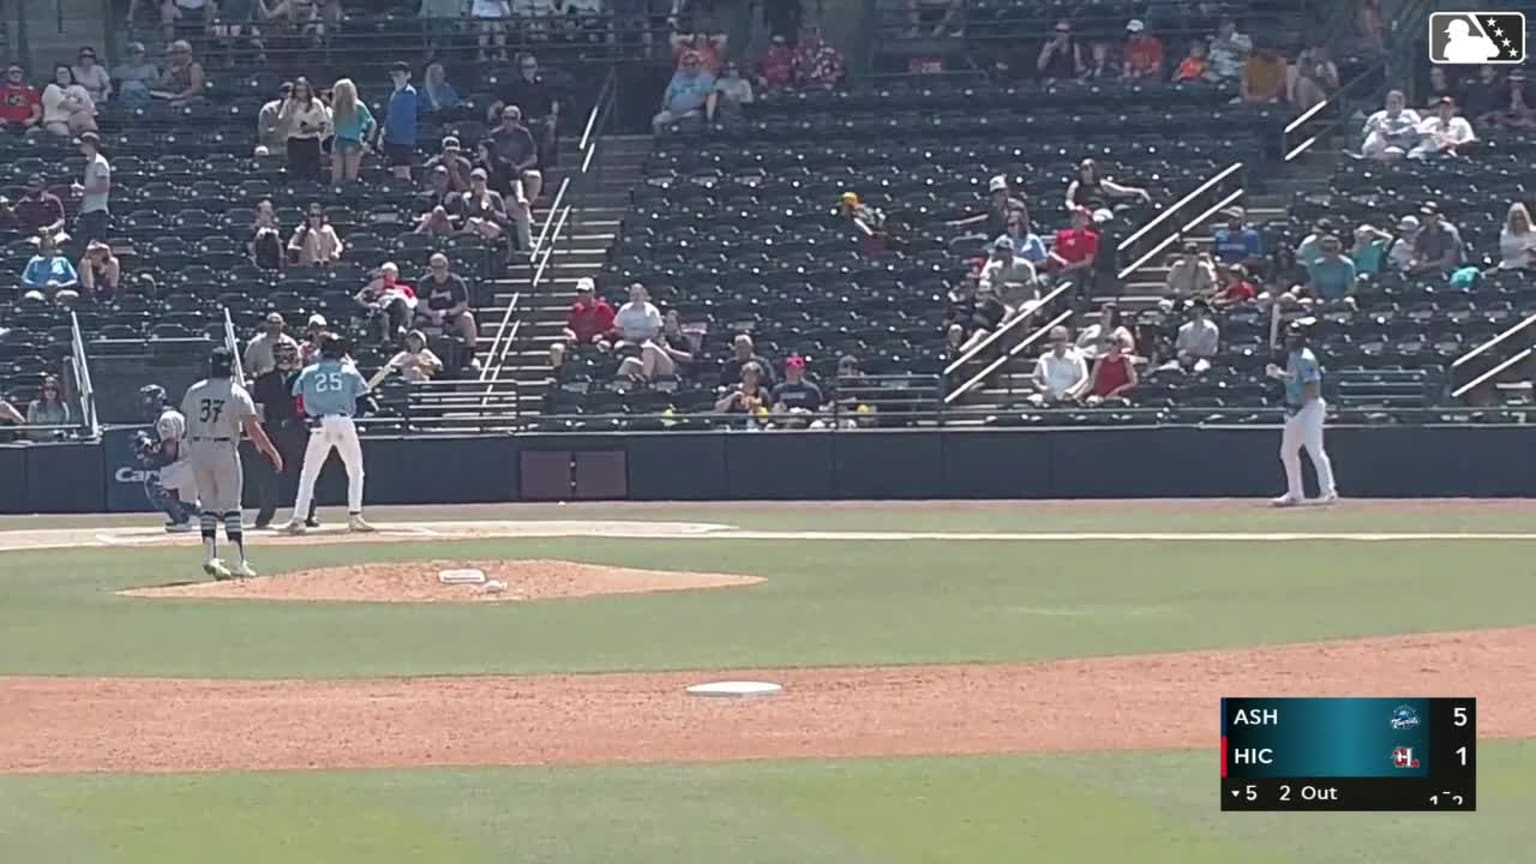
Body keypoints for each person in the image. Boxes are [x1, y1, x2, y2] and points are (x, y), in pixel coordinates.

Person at [180, 347, 284, 579]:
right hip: (224, 447)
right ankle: (238, 561)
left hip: (198, 448)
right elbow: (253, 428)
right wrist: (272, 452)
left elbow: (188, 423)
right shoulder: (237, 392)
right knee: (231, 507)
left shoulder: (194, 391)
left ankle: (210, 557)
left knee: (207, 504)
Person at [280, 334, 372, 534]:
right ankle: (355, 515)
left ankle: (298, 519)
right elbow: (365, 401)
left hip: (319, 422)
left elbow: (295, 393)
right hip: (343, 421)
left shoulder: (308, 371)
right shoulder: (350, 371)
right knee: (355, 471)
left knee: (309, 473)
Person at [1267, 317, 1338, 506]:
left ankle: (1328, 491)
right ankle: (1295, 493)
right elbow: (1294, 379)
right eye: (1289, 336)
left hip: (1310, 407)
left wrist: (1282, 379)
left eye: (1294, 337)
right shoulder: (1292, 356)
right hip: (1296, 409)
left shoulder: (1306, 358)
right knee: (1287, 452)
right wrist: (1279, 374)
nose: (1289, 339)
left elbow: (1312, 388)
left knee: (1314, 448)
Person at [250, 338, 312, 529]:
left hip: (296, 428)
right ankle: (266, 513)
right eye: (281, 355)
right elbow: (259, 409)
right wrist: (259, 435)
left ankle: (308, 513)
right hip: (272, 430)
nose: (285, 359)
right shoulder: (264, 380)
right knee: (268, 474)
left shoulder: (303, 377)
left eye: (288, 354)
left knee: (301, 472)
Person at [134, 384, 199, 531]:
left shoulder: (166, 420)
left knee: (154, 483)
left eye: (148, 401)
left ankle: (181, 519)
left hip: (188, 463)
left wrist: (148, 450)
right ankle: (218, 517)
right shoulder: (173, 415)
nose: (146, 405)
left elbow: (169, 454)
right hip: (192, 461)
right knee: (189, 504)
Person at [278, 77, 330, 183]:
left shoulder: (316, 104)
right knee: (297, 171)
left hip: (311, 140)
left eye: (302, 91)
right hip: (294, 140)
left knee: (313, 171)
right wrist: (290, 110)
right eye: (297, 91)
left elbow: (323, 125)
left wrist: (310, 128)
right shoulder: (289, 103)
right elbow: (283, 122)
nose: (300, 94)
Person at [328, 78, 376, 186]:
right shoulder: (336, 106)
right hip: (338, 140)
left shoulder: (358, 106)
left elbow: (372, 123)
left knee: (350, 178)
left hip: (353, 141)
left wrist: (368, 141)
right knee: (336, 178)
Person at [653, 51, 715, 133]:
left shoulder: (706, 78)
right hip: (674, 112)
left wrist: (709, 117)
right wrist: (665, 106)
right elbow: (668, 94)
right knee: (657, 121)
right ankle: (662, 144)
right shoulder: (677, 78)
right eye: (686, 64)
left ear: (699, 64)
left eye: (693, 64)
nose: (689, 67)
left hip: (694, 112)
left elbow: (711, 96)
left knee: (688, 120)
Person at [1064, 158, 1151, 213]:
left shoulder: (1102, 184)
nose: (1084, 172)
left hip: (1100, 211)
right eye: (1083, 169)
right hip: (1083, 212)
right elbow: (1069, 200)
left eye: (1087, 169)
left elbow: (1121, 191)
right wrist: (1073, 208)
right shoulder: (1076, 185)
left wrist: (1138, 191)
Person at [1031, 326, 1089, 404]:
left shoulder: (1077, 359)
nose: (1057, 343)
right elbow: (1035, 378)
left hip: (1070, 400)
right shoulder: (1044, 358)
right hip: (1048, 399)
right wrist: (1042, 388)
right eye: (1054, 340)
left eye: (1061, 339)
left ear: (1067, 339)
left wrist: (1073, 391)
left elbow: (1084, 378)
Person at [381, 62, 418, 181]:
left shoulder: (409, 93)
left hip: (403, 140)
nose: (396, 78)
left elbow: (404, 118)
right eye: (393, 75)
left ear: (408, 75)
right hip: (391, 138)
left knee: (403, 172)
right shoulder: (394, 93)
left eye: (399, 74)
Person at [1360, 90, 1422, 161]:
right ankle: (1368, 158)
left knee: (1390, 153)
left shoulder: (1410, 114)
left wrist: (1395, 135)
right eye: (1388, 103)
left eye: (1394, 103)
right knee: (1375, 135)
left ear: (1402, 104)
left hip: (1398, 146)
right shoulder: (1377, 116)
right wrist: (1378, 129)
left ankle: (1367, 160)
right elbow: (1365, 132)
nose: (1390, 106)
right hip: (1377, 145)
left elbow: (1416, 128)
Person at [367, 330, 443, 386]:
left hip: (424, 383)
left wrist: (421, 364)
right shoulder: (404, 354)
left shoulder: (426, 353)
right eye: (411, 339)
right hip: (407, 383)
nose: (414, 342)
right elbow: (391, 365)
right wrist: (406, 364)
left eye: (416, 339)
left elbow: (439, 365)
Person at [1410, 97, 1477, 159]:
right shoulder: (1430, 120)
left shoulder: (1461, 121)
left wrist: (1457, 143)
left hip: (1450, 151)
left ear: (1453, 110)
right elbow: (1418, 133)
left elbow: (1469, 138)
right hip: (1428, 151)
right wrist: (1433, 134)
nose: (1443, 111)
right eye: (1441, 108)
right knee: (1414, 154)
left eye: (1447, 108)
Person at [75, 131, 111, 244]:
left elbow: (103, 187)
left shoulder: (99, 163)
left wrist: (82, 189)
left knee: (99, 245)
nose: (81, 147)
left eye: (83, 144)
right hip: (88, 210)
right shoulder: (90, 163)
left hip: (97, 211)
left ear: (90, 145)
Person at [41, 65, 97, 137]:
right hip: (57, 121)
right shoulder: (51, 88)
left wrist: (84, 112)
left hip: (78, 120)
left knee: (89, 131)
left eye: (65, 73)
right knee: (66, 138)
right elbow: (66, 105)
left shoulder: (80, 88)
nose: (63, 76)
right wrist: (83, 108)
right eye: (60, 74)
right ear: (55, 76)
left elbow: (91, 107)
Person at [21, 234, 80, 302]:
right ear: (41, 249)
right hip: (39, 291)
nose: (48, 251)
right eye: (45, 249)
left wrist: (61, 285)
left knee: (72, 295)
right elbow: (24, 281)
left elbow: (75, 280)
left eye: (51, 248)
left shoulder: (63, 261)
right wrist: (40, 285)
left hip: (60, 291)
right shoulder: (34, 262)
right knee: (31, 296)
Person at [244, 311, 301, 377]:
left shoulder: (290, 342)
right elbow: (248, 368)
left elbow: (297, 364)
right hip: (262, 382)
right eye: (271, 323)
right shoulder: (255, 344)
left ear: (283, 324)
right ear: (266, 324)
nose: (274, 326)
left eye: (278, 323)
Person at [1085, 338, 1137, 405]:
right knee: (1091, 402)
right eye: (1108, 344)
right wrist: (1078, 395)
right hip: (1100, 396)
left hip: (1119, 396)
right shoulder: (1100, 360)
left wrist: (1117, 390)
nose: (1110, 346)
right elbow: (1091, 383)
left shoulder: (1125, 361)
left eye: (1114, 344)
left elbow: (1133, 382)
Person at [24, 376, 72, 440]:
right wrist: (51, 434)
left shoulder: (63, 406)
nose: (50, 392)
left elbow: (65, 427)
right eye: (47, 389)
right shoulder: (34, 405)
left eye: (53, 389)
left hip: (57, 442)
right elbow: (31, 430)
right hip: (38, 442)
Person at [112, 43, 159, 107]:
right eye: (134, 53)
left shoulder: (150, 68)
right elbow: (114, 82)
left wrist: (147, 82)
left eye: (140, 53)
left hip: (144, 97)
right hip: (125, 97)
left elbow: (157, 84)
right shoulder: (120, 70)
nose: (137, 55)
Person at [0, 63, 43, 132]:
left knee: (37, 132)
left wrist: (33, 119)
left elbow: (37, 111)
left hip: (25, 126)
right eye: (12, 72)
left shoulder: (30, 91)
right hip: (4, 126)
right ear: (7, 75)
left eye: (18, 72)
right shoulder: (1, 90)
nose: (16, 74)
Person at [1499, 202, 1536, 270]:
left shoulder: (1534, 232)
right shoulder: (1505, 234)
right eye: (1515, 219)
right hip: (1510, 266)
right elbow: (1506, 254)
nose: (1518, 222)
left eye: (1521, 218)